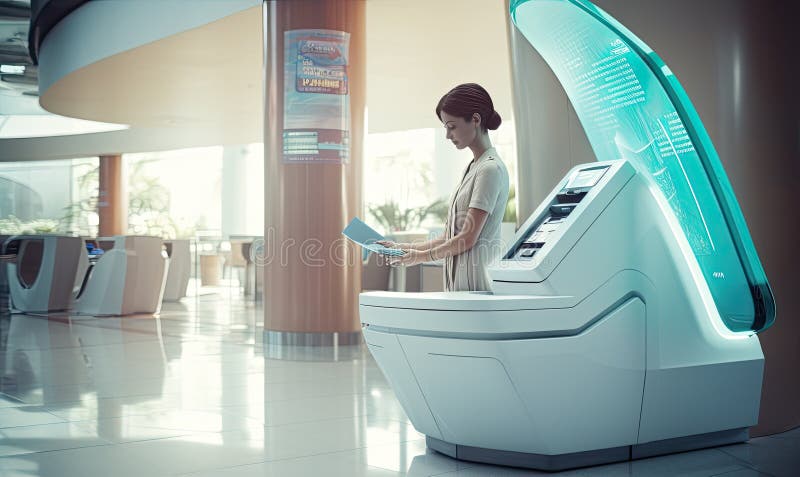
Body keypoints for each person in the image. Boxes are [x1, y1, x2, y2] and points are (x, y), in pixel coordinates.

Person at [379, 83, 510, 292]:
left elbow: (467, 238)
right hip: (459, 286)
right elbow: (449, 236)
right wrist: (406, 248)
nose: (448, 135)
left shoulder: (490, 169)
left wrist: (419, 257)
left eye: (452, 126)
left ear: (475, 120)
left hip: (477, 285)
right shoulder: (472, 167)